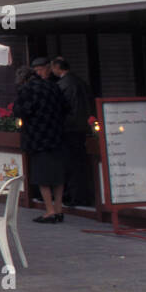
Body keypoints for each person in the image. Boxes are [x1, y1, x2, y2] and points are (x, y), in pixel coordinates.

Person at [17, 57, 70, 223]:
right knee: (58, 176)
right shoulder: (54, 87)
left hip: (38, 138)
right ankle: (59, 209)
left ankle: (49, 211)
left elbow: (20, 111)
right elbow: (66, 108)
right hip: (57, 136)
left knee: (43, 177)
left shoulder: (27, 89)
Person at [52, 57, 93, 207]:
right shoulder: (79, 81)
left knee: (71, 163)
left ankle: (75, 196)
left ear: (57, 67)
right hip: (82, 126)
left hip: (70, 128)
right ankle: (82, 195)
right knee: (80, 162)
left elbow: (63, 107)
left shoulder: (64, 84)